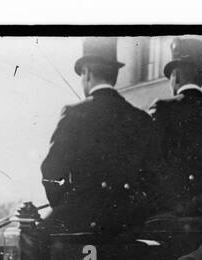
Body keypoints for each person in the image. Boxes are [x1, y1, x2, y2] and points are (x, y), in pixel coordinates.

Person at [40, 37, 158, 242]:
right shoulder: (141, 119)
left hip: (81, 224)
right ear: (114, 74)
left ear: (86, 72)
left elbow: (51, 170)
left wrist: (68, 207)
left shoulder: (74, 113)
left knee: (33, 243)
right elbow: (152, 177)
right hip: (127, 226)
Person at [150, 36, 202, 218]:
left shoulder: (163, 108)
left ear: (175, 76)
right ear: (200, 78)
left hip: (166, 217)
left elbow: (149, 158)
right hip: (201, 216)